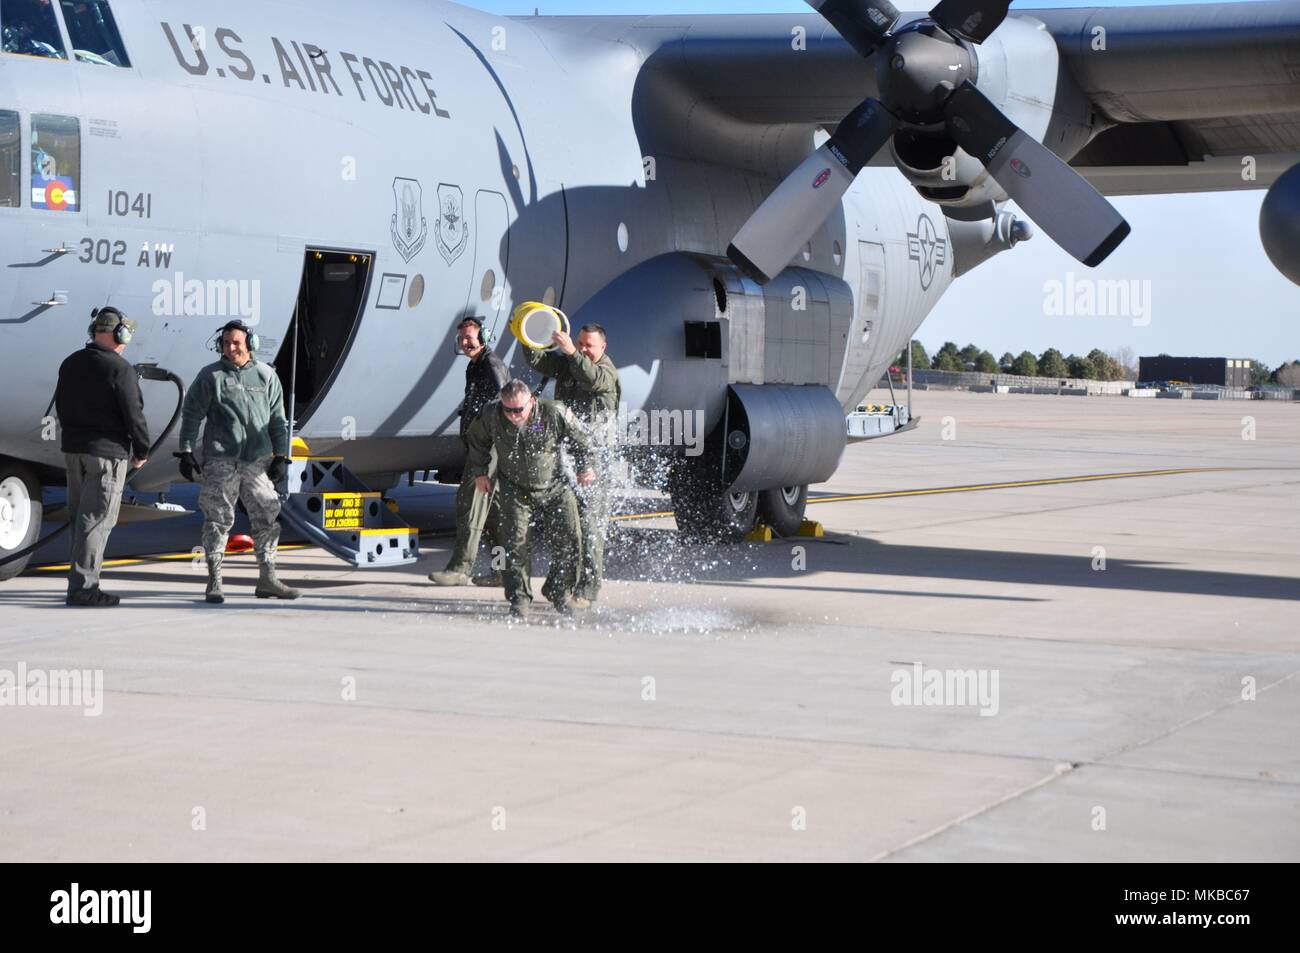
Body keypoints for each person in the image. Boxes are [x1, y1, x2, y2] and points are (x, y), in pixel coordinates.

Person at [175, 320, 299, 604]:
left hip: (256, 461)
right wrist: (185, 451)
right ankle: (214, 581)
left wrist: (281, 456)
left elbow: (278, 421)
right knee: (217, 519)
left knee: (268, 515)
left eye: (237, 343)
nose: (231, 348)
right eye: (227, 343)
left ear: (250, 345)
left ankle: (268, 578)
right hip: (221, 461)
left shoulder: (266, 376)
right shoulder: (211, 376)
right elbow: (192, 414)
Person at [464, 379, 595, 617]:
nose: (513, 415)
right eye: (508, 410)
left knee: (570, 539)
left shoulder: (553, 412)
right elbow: (476, 440)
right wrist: (480, 472)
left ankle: (559, 590)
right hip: (515, 488)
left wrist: (584, 467)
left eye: (519, 410)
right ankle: (519, 600)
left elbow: (582, 440)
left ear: (531, 401)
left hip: (555, 487)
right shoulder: (492, 415)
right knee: (516, 545)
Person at [54, 307, 150, 607]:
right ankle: (84, 588)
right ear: (118, 333)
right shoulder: (120, 369)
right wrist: (142, 451)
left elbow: (60, 406)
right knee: (96, 521)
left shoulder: (70, 363)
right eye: (126, 332)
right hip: (107, 456)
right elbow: (134, 416)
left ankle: (79, 582)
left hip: (74, 452)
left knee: (80, 519)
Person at [523, 324, 620, 604]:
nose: (584, 349)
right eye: (580, 343)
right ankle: (560, 585)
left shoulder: (605, 373)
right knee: (563, 524)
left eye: (589, 345)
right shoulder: (570, 363)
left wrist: (571, 352)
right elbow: (538, 360)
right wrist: (526, 334)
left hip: (594, 459)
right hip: (567, 453)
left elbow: (591, 378)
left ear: (603, 347)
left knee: (589, 526)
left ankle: (588, 590)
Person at [429, 317, 509, 586]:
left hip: (487, 448)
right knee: (494, 516)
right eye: (461, 339)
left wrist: (487, 441)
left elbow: (505, 400)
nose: (465, 344)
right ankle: (502, 570)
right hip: (481, 444)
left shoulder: (491, 365)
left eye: (470, 338)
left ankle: (460, 568)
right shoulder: (474, 366)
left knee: (469, 504)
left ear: (483, 337)